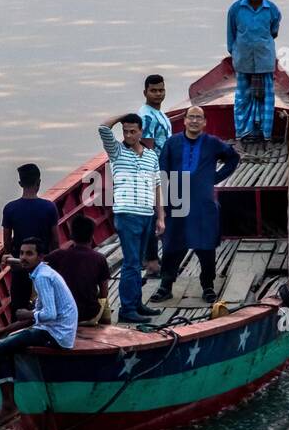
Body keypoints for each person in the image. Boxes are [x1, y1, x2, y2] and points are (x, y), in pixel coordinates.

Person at [150, 105, 239, 304]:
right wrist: (161, 207)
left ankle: (207, 286)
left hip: (203, 204)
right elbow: (162, 173)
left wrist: (215, 177)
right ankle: (166, 286)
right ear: (184, 120)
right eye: (191, 117)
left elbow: (233, 158)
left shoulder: (213, 143)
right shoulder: (172, 143)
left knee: (206, 246)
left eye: (199, 118)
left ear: (205, 122)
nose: (195, 121)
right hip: (177, 203)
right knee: (172, 244)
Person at [0, 237, 77, 426]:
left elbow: (49, 314)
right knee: (10, 340)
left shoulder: (43, 277)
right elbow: (34, 317)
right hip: (54, 330)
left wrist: (27, 313)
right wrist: (6, 329)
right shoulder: (42, 272)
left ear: (40, 256)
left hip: (56, 334)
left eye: (29, 253)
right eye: (21, 253)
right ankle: (11, 401)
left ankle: (9, 406)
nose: (23, 258)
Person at [99, 112, 164, 323]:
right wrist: (122, 117)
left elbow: (157, 187)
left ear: (141, 132)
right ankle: (127, 308)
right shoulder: (116, 151)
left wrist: (160, 217)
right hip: (127, 214)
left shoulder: (151, 155)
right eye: (125, 131)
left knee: (139, 262)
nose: (128, 135)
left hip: (146, 214)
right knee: (131, 262)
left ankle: (136, 304)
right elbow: (102, 128)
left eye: (132, 131)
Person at [226, 0, 282, 141]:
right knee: (243, 99)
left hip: (264, 60)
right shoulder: (236, 9)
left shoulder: (271, 9)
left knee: (266, 100)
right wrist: (234, 53)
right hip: (243, 60)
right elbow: (231, 34)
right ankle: (242, 134)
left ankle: (265, 136)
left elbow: (274, 31)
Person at [0, 163, 58, 315]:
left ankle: (15, 331)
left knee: (18, 305)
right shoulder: (49, 207)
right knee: (46, 304)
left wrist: (10, 257)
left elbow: (6, 241)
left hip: (21, 264)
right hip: (42, 263)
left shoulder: (10, 208)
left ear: (20, 184)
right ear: (38, 182)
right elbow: (55, 241)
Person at [45, 216, 110, 326]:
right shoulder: (99, 258)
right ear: (91, 236)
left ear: (71, 235)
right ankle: (107, 328)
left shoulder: (57, 255)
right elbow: (104, 292)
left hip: (62, 314)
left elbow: (38, 265)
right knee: (105, 301)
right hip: (89, 315)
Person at [138, 75, 172, 277]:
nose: (158, 94)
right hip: (154, 173)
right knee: (152, 218)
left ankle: (157, 259)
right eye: (153, 90)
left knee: (160, 216)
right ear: (145, 93)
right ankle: (151, 262)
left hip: (164, 170)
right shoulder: (147, 116)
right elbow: (147, 147)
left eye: (161, 90)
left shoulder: (159, 114)